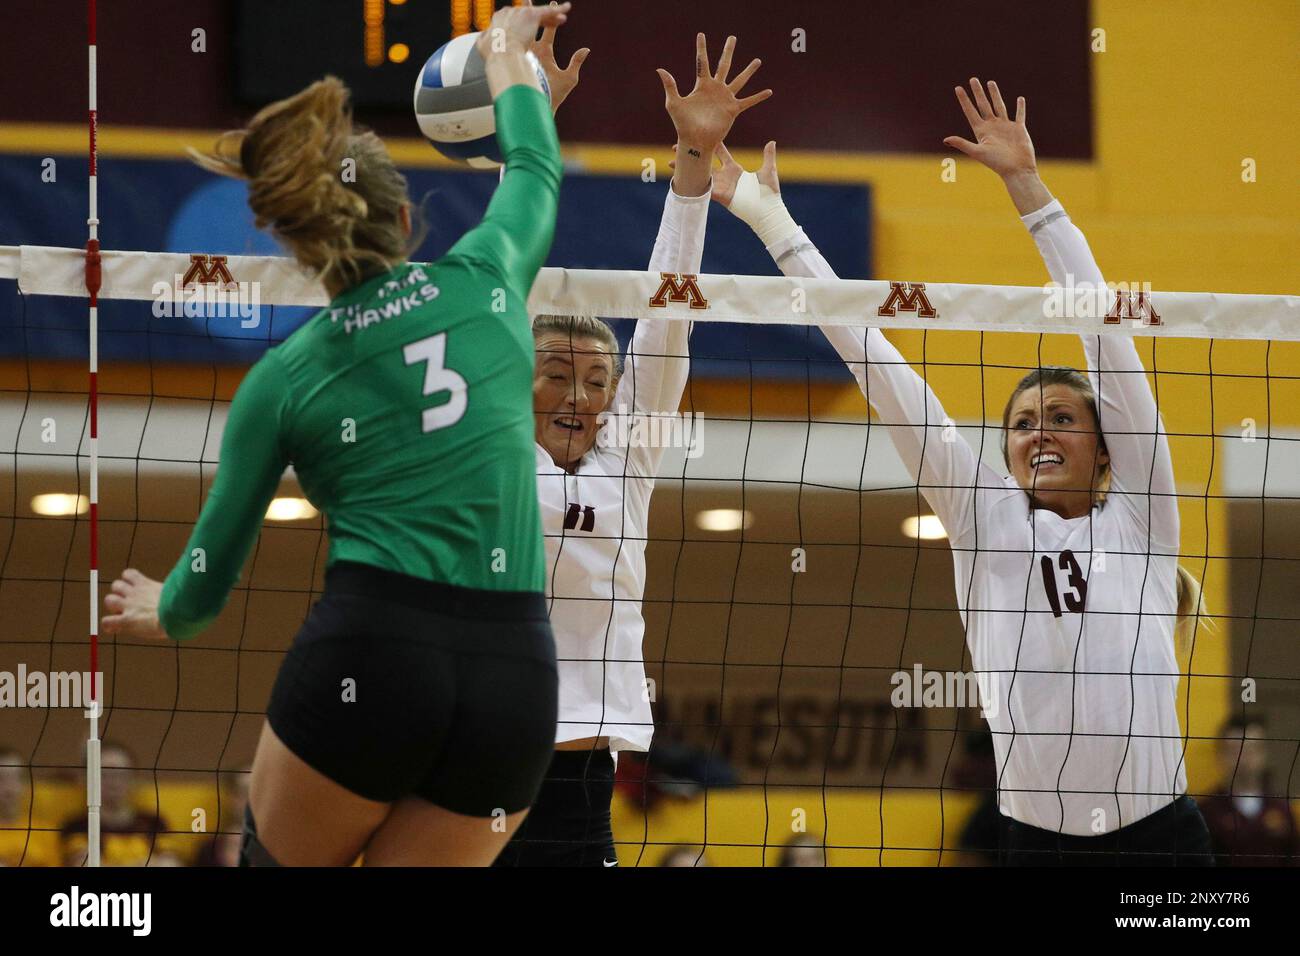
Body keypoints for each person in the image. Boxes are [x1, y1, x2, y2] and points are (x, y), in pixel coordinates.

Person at [100, 2, 572, 866]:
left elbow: (200, 594)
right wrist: (508, 51)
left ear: (299, 247)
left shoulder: (285, 379)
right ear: (405, 216)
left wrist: (159, 608)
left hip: (376, 654)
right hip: (515, 677)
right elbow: (534, 163)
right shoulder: (490, 278)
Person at [708, 77, 1213, 866]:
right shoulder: (985, 516)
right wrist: (774, 223)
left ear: (1107, 446)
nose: (1039, 435)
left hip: (1161, 843)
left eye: (1061, 419)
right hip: (1037, 846)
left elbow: (1105, 335)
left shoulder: (1143, 517)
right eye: (1022, 423)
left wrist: (1029, 188)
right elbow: (876, 363)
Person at [495, 32, 772, 868]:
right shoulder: (494, 447)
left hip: (584, 784)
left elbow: (666, 321)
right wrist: (533, 122)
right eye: (556, 375)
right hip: (480, 767)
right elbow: (498, 273)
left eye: (596, 381)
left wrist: (693, 160)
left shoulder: (627, 461)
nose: (578, 396)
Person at [1199, 714, 1298, 865]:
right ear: (1220, 754)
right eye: (1234, 750)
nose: (1242, 758)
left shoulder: (1282, 808)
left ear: (1263, 752)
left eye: (1250, 749)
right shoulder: (1206, 811)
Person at [0, 747, 60, 867]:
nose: (9, 788)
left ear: (26, 783)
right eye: (1, 779)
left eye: (16, 778)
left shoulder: (45, 831)